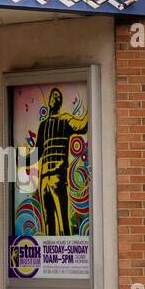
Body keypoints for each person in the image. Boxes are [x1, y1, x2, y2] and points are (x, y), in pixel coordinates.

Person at [33, 87, 87, 236]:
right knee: (48, 224)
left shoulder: (66, 120)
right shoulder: (43, 125)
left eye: (58, 97)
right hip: (44, 179)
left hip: (58, 177)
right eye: (53, 96)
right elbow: (37, 153)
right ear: (50, 101)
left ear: (59, 102)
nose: (55, 98)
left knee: (63, 224)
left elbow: (82, 126)